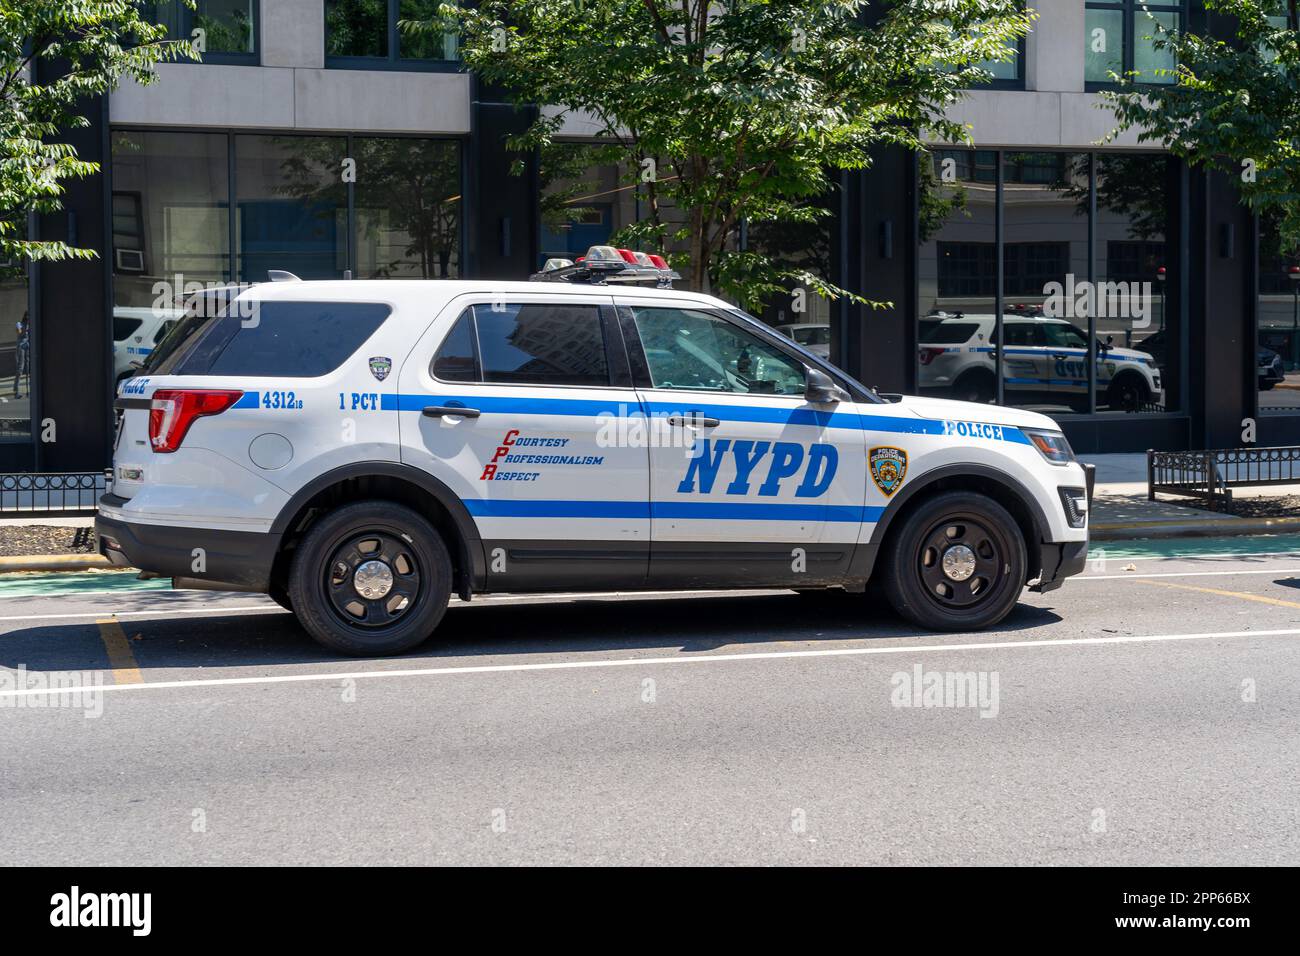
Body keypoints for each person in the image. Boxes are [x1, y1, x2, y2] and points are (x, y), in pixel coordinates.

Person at [13, 311, 29, 398]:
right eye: (27, 316)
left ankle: (28, 391)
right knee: (20, 369)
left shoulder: (30, 325)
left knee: (29, 368)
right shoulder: (19, 324)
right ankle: (16, 391)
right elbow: (19, 332)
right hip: (21, 347)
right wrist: (22, 329)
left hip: (28, 347)